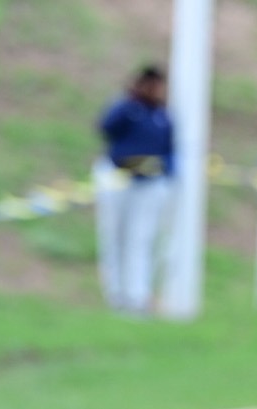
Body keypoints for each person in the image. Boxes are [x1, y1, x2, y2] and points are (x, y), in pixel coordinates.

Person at [95, 64, 176, 314]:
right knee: (115, 236)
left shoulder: (162, 116)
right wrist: (128, 101)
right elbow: (105, 127)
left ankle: (138, 296)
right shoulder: (128, 108)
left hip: (149, 184)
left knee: (141, 240)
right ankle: (116, 295)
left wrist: (167, 173)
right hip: (119, 179)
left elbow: (169, 150)